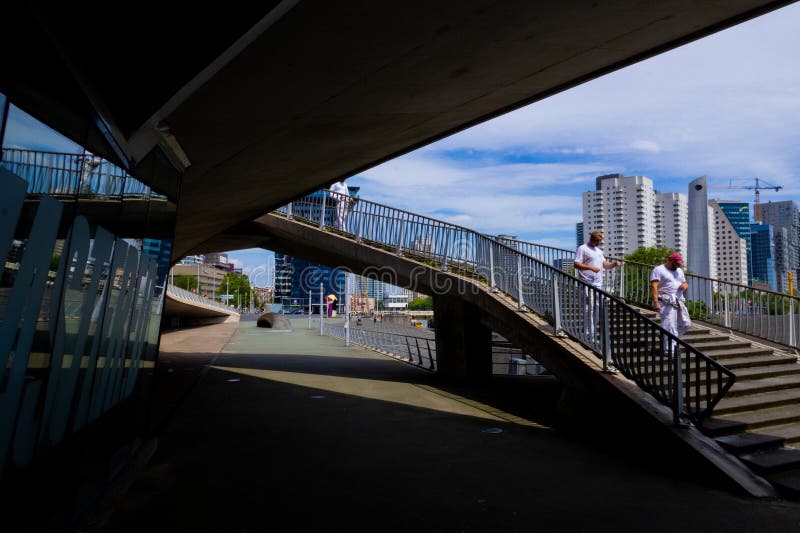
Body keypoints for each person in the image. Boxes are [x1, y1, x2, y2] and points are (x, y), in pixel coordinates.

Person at [573, 231, 621, 339]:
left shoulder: (599, 251)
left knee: (600, 308)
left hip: (598, 283)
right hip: (587, 282)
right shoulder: (582, 248)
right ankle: (588, 333)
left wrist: (613, 264)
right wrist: (591, 268)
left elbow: (604, 264)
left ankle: (590, 330)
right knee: (589, 308)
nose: (599, 242)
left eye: (600, 240)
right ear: (591, 239)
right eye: (597, 240)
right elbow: (576, 264)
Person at [650, 253, 691, 353]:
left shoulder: (679, 270)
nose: (678, 265)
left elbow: (684, 282)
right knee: (670, 327)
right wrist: (655, 302)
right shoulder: (658, 270)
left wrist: (685, 285)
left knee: (686, 323)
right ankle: (669, 351)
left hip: (678, 301)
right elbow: (654, 286)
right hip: (665, 301)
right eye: (677, 263)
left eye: (680, 264)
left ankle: (663, 335)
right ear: (670, 261)